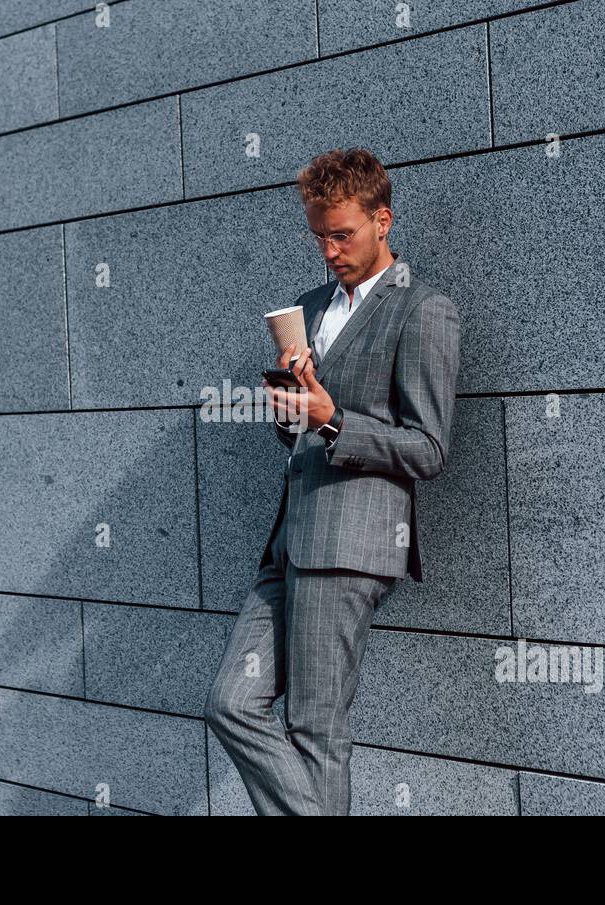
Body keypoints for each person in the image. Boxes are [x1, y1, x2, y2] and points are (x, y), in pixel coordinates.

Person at [203, 147, 462, 815]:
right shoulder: (311, 306)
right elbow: (299, 434)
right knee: (231, 703)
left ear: (383, 220)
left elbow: (429, 447)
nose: (328, 249)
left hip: (351, 544)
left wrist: (333, 418)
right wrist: (295, 411)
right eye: (318, 235)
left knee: (318, 731)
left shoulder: (423, 310)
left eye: (341, 233)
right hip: (289, 540)